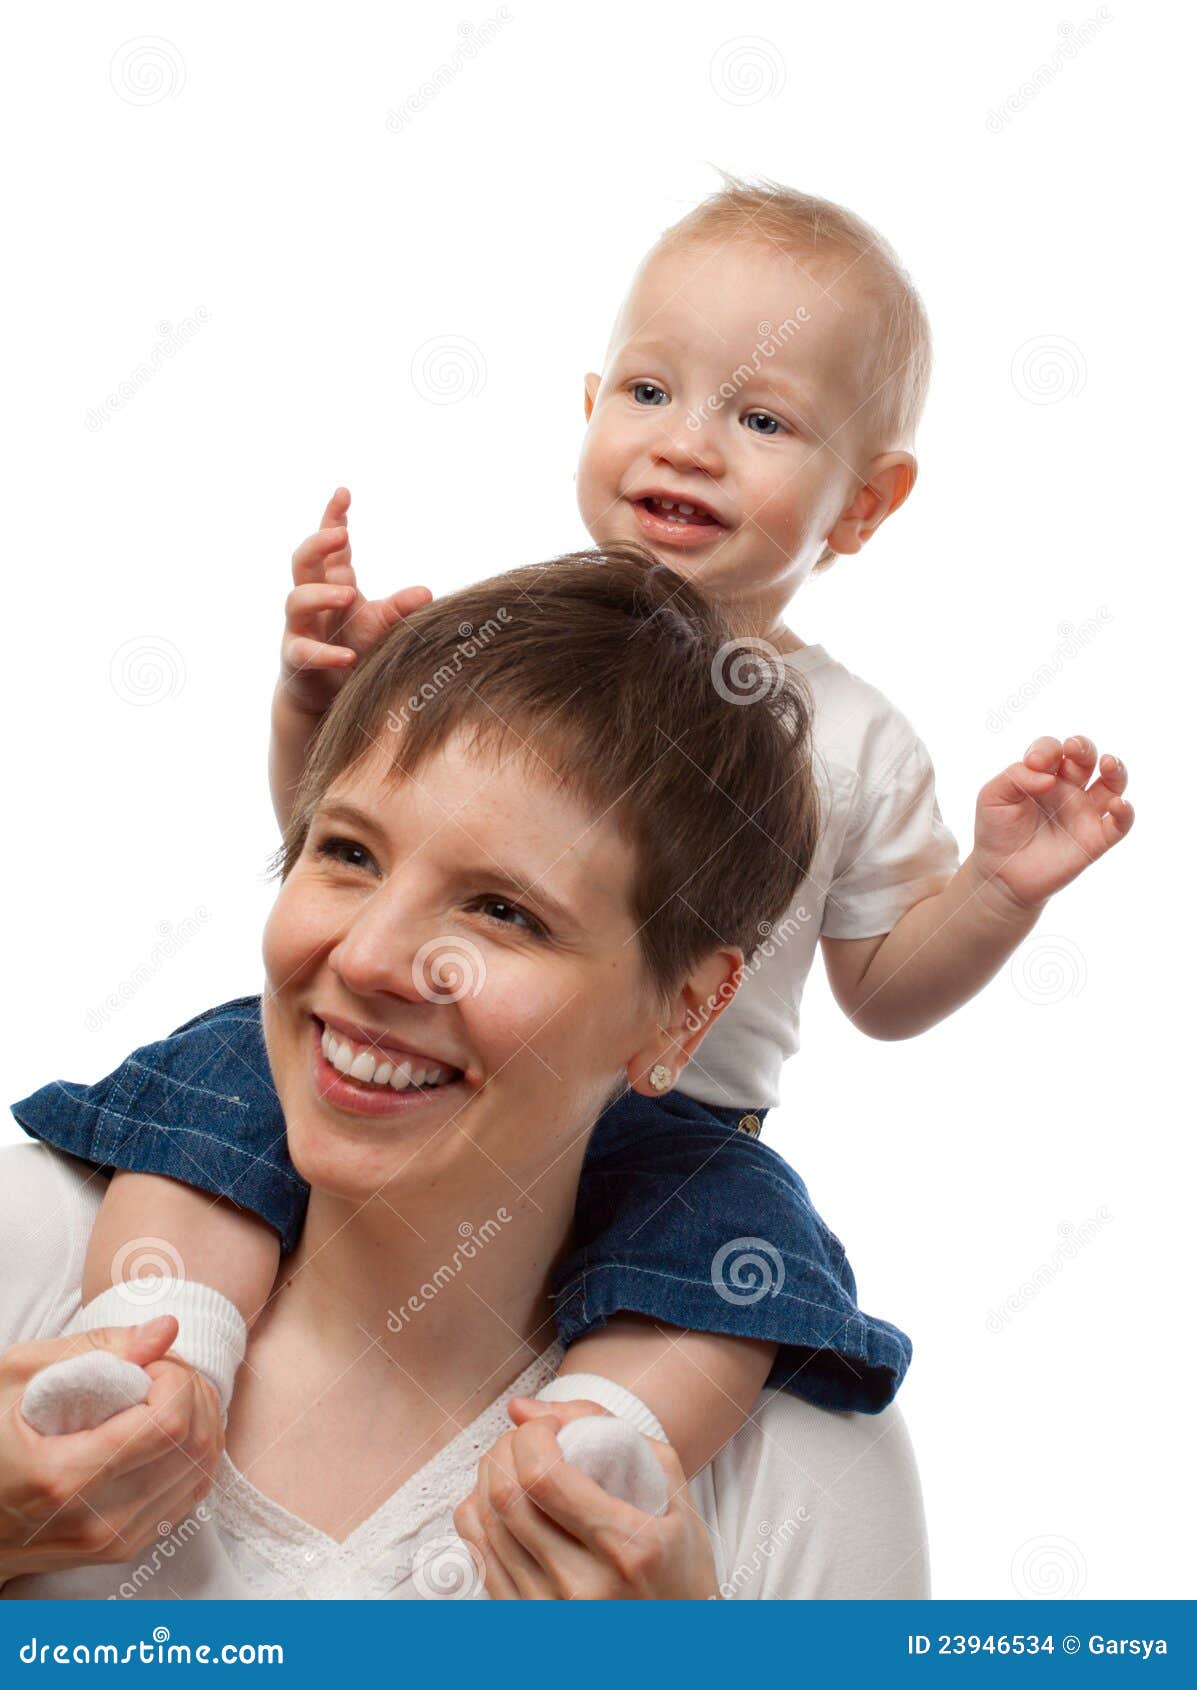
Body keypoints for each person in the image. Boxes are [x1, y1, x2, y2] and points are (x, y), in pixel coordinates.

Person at [13, 175, 1133, 1496]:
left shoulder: (852, 738)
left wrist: (997, 890)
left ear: (865, 503)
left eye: (761, 417)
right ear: (589, 405)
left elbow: (884, 991)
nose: (688, 445)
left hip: (683, 1122)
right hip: (419, 1055)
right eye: (649, 393)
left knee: (740, 1277)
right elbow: (332, 837)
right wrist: (315, 702)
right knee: (203, 1108)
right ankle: (158, 1353)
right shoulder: (494, 646)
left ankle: (601, 1448)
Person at [0, 551, 928, 1599]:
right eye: (348, 853)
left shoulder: (802, 1474)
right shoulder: (26, 1252)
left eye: (503, 911)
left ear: (688, 1010)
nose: (366, 958)